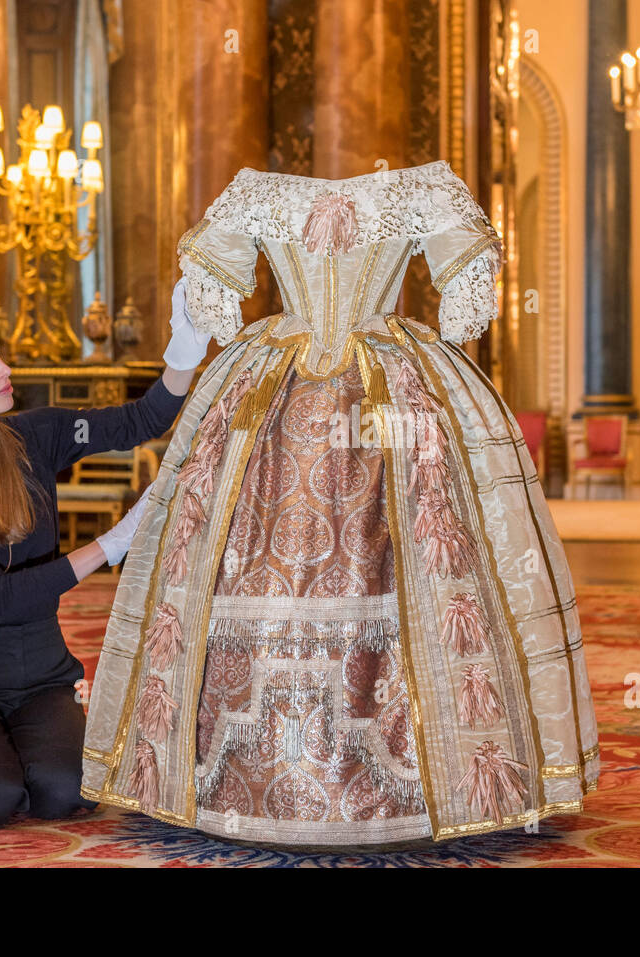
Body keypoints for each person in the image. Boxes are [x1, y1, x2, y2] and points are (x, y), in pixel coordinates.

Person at [80, 161, 600, 847]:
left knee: (240, 551)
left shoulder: (255, 192)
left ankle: (222, 771)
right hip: (393, 375)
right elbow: (467, 301)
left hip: (271, 379)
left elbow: (212, 296)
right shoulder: (425, 188)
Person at [0, 279, 209, 829]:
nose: (4, 368)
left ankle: (7, 747)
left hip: (41, 674)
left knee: (68, 794)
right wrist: (112, 545)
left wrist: (186, 344)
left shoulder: (34, 437)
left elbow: (142, 420)